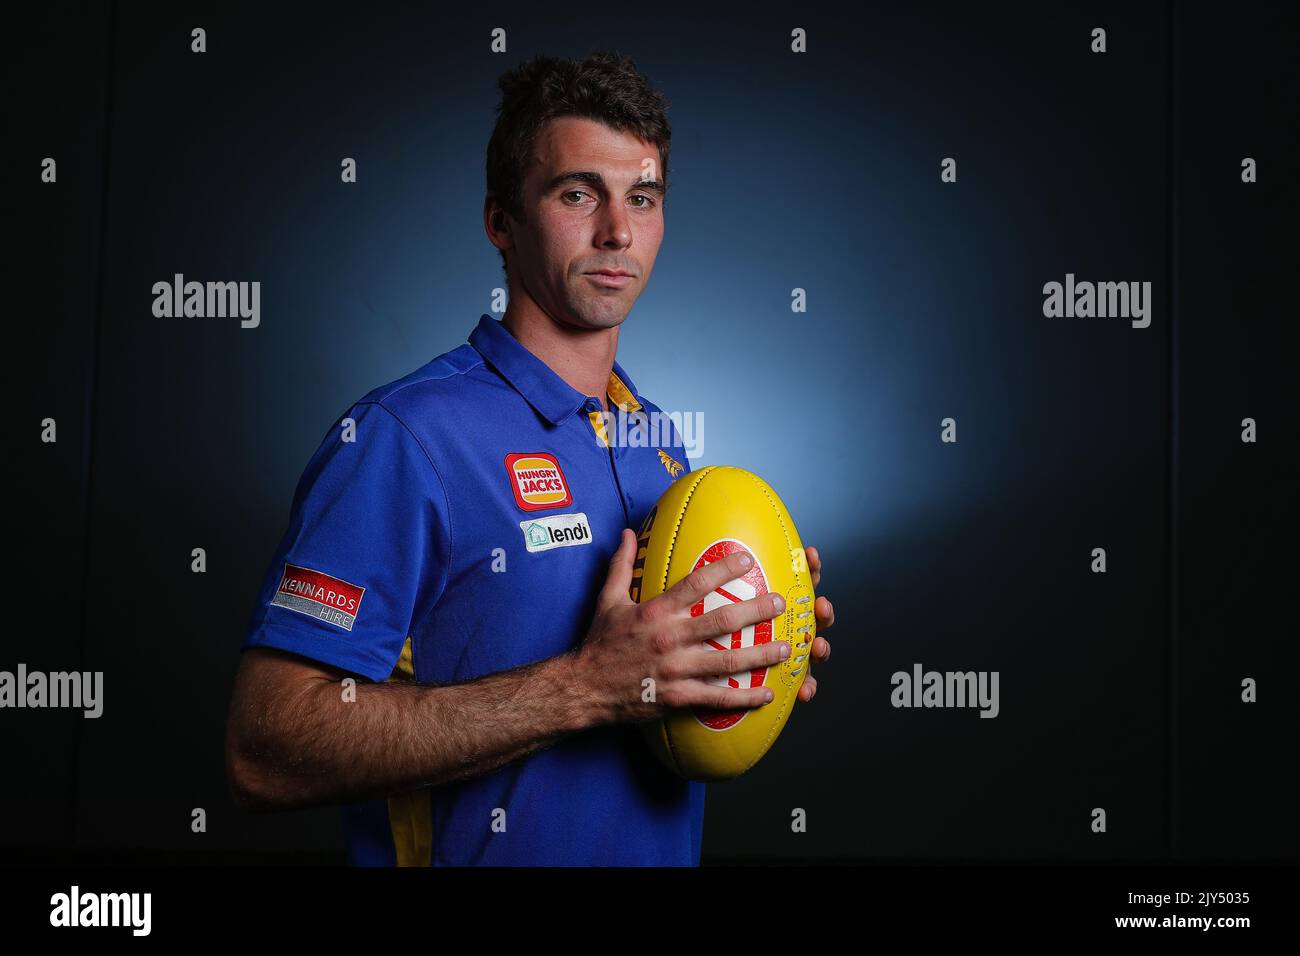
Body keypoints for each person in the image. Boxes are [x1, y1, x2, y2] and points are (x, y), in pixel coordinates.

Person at [224, 49, 835, 866]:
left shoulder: (657, 440)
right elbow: (265, 747)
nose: (618, 231)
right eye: (578, 193)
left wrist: (749, 643)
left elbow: (655, 708)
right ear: (500, 222)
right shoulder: (404, 439)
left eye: (642, 198)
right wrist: (586, 687)